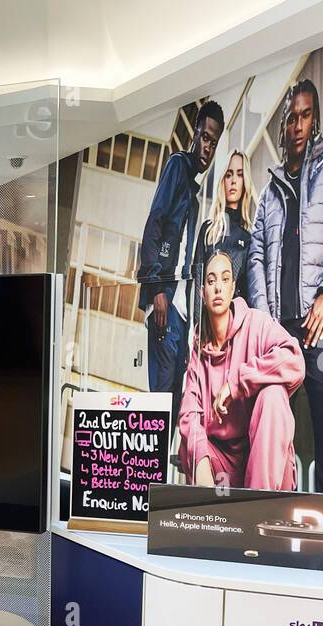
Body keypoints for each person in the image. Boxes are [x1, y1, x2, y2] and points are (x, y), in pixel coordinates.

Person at [248, 78, 323, 494]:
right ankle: (268, 503)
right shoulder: (268, 193)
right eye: (291, 117)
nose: (297, 124)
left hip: (320, 317)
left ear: (314, 118)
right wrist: (264, 320)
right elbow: (257, 257)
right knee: (272, 416)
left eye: (305, 115)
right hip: (278, 325)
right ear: (283, 126)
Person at [179, 252, 304, 491]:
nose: (218, 288)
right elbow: (189, 412)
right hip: (222, 470)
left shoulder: (257, 324)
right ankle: (206, 506)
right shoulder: (198, 348)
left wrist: (237, 382)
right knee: (190, 441)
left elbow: (294, 359)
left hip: (263, 466)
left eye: (225, 279)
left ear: (234, 287)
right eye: (211, 280)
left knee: (274, 395)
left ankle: (256, 504)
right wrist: (201, 462)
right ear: (202, 292)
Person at [137, 99, 223, 429]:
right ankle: (151, 479)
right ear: (195, 134)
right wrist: (156, 288)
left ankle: (159, 480)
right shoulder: (177, 166)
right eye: (204, 137)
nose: (207, 147)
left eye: (213, 142)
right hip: (166, 300)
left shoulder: (196, 189)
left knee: (173, 402)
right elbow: (155, 223)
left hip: (183, 309)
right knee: (160, 401)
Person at [193, 150, 257, 319]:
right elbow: (197, 282)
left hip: (234, 328)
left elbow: (247, 295)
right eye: (228, 175)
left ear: (246, 181)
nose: (234, 181)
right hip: (206, 328)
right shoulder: (208, 230)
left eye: (240, 174)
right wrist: (198, 331)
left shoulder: (248, 238)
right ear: (222, 180)